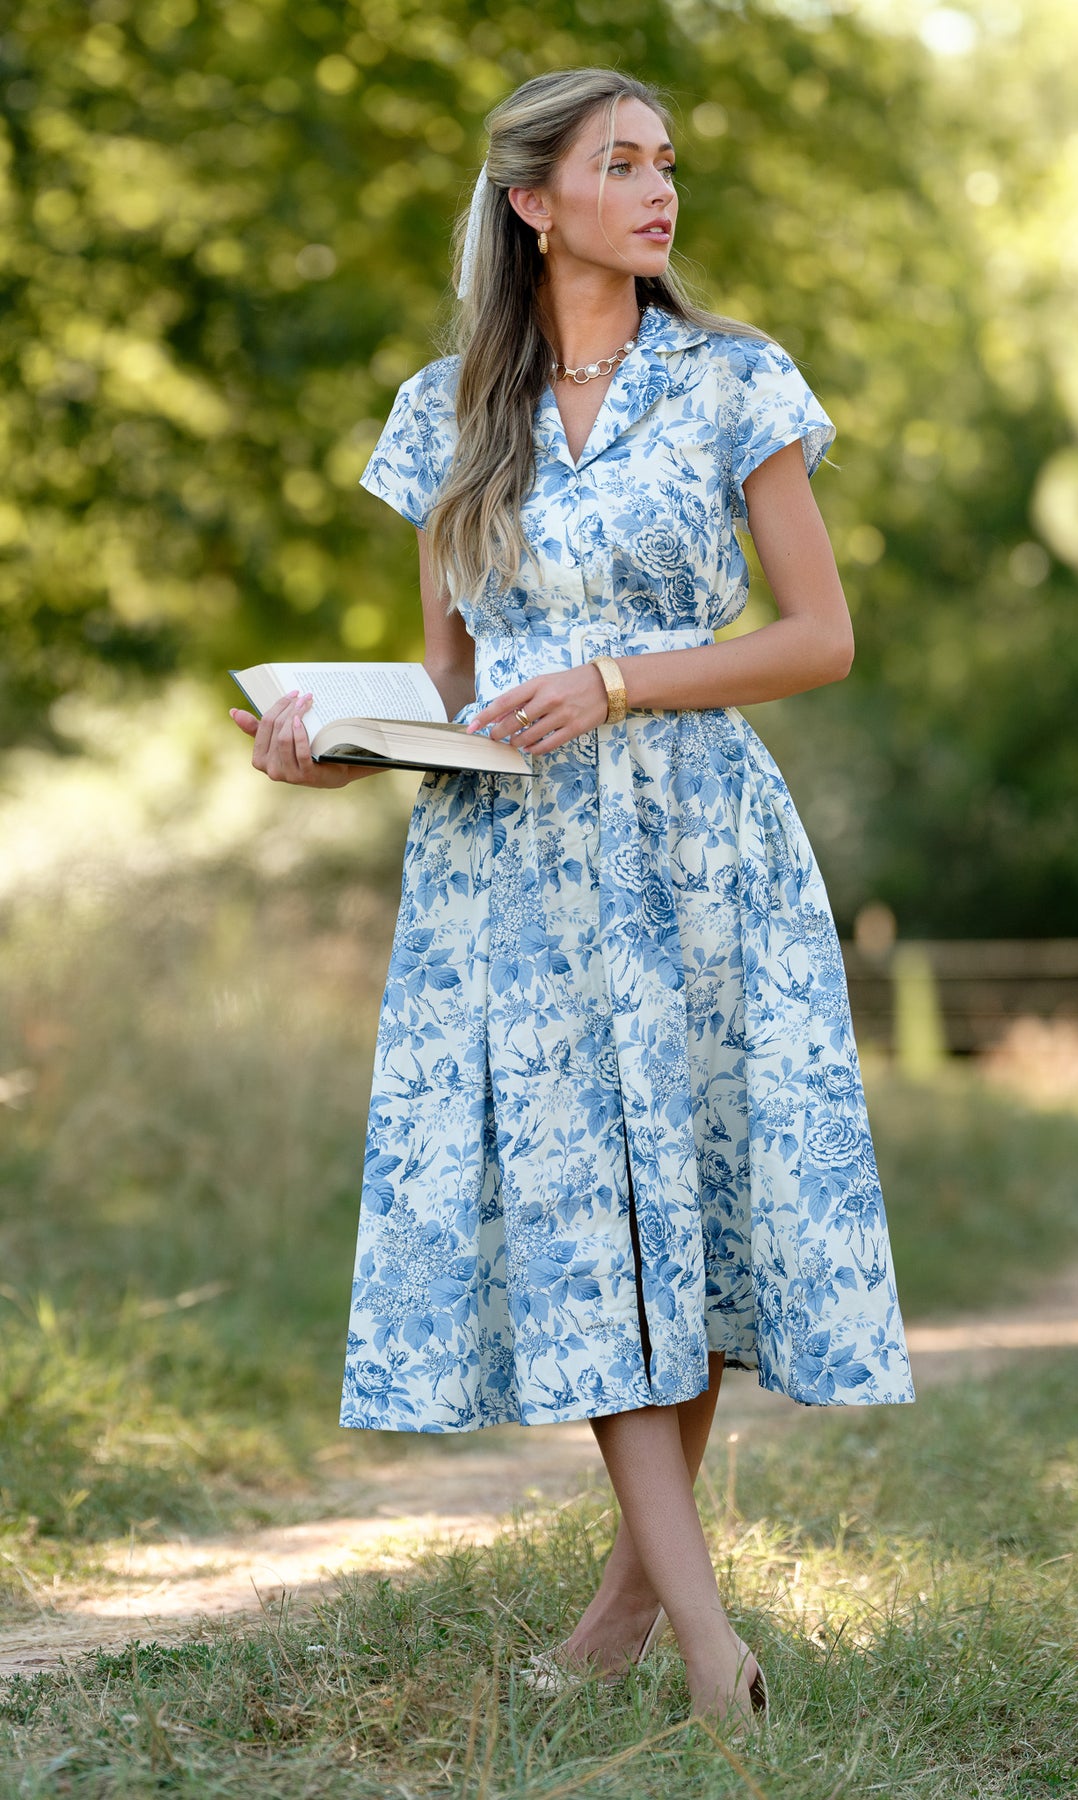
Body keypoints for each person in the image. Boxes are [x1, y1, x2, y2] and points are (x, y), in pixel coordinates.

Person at [230, 66, 915, 1736]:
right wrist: (328, 751)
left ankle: (638, 1615)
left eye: (667, 162)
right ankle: (698, 1636)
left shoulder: (735, 381)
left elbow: (815, 638)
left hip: (697, 848)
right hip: (512, 873)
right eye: (621, 163)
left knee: (675, 1213)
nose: (660, 189)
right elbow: (447, 683)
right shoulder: (447, 408)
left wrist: (615, 680)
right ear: (535, 200)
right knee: (587, 1226)